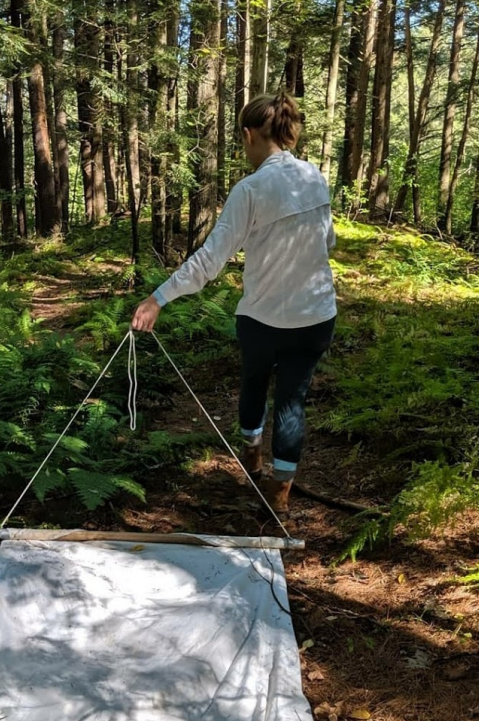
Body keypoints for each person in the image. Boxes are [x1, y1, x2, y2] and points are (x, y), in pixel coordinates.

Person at [131, 92, 337, 517]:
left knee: (254, 386)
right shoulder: (314, 176)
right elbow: (328, 241)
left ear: (248, 135)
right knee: (292, 402)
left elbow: (210, 260)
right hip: (317, 316)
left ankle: (253, 462)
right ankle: (280, 496)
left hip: (262, 319)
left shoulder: (251, 188)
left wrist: (158, 298)